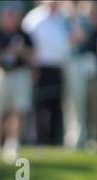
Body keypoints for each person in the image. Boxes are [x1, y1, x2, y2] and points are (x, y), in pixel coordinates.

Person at [0, 0, 36, 161]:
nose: (10, 18)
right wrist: (3, 53)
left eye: (13, 14)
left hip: (19, 74)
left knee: (16, 111)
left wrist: (21, 51)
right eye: (8, 14)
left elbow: (32, 55)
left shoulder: (24, 34)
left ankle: (12, 144)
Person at [22, 0, 71, 147]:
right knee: (41, 106)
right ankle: (41, 141)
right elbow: (27, 45)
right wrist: (32, 67)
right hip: (40, 67)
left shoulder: (61, 17)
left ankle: (55, 141)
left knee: (56, 105)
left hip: (58, 67)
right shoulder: (34, 18)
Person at [64, 0, 97, 149]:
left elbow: (83, 37)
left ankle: (93, 138)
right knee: (75, 103)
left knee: (92, 103)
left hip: (89, 65)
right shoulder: (64, 18)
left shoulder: (86, 18)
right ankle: (75, 138)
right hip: (73, 64)